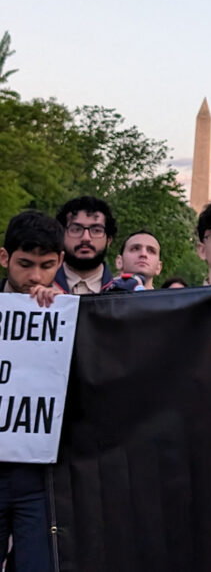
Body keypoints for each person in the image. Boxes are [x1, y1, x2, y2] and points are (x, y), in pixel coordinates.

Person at [0, 211, 63, 572]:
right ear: (5, 257)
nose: (35, 276)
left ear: (60, 262)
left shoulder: (65, 313)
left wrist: (59, 315)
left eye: (46, 265)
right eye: (25, 264)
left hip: (37, 479)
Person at [53, 195, 118, 294]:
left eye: (96, 230)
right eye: (76, 229)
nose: (86, 238)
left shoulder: (123, 294)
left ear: (109, 240)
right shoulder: (38, 291)